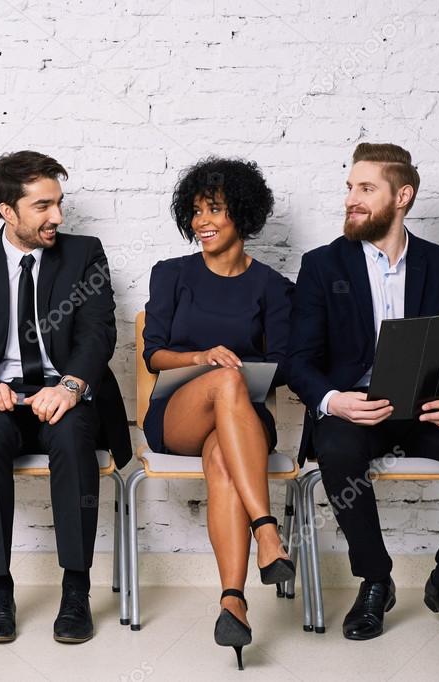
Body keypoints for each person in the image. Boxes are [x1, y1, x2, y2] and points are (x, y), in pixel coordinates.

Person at [287, 142, 439, 643]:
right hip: (359, 412)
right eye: (350, 187)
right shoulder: (322, 266)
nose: (352, 197)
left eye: (366, 188)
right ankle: (375, 580)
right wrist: (334, 401)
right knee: (336, 448)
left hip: (430, 411)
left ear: (403, 196)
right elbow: (298, 361)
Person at [0, 151, 131, 645]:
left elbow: (98, 333)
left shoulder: (84, 252)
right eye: (43, 206)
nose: (58, 217)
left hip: (64, 392)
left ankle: (75, 590)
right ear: (8, 210)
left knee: (72, 441)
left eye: (60, 203)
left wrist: (69, 386)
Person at [142, 157, 295, 670]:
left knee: (225, 461)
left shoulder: (274, 287)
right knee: (227, 378)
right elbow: (154, 354)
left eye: (214, 210)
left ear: (243, 217)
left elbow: (286, 364)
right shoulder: (172, 274)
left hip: (243, 421)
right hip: (179, 410)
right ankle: (268, 532)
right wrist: (202, 359)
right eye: (194, 212)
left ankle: (234, 600)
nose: (201, 221)